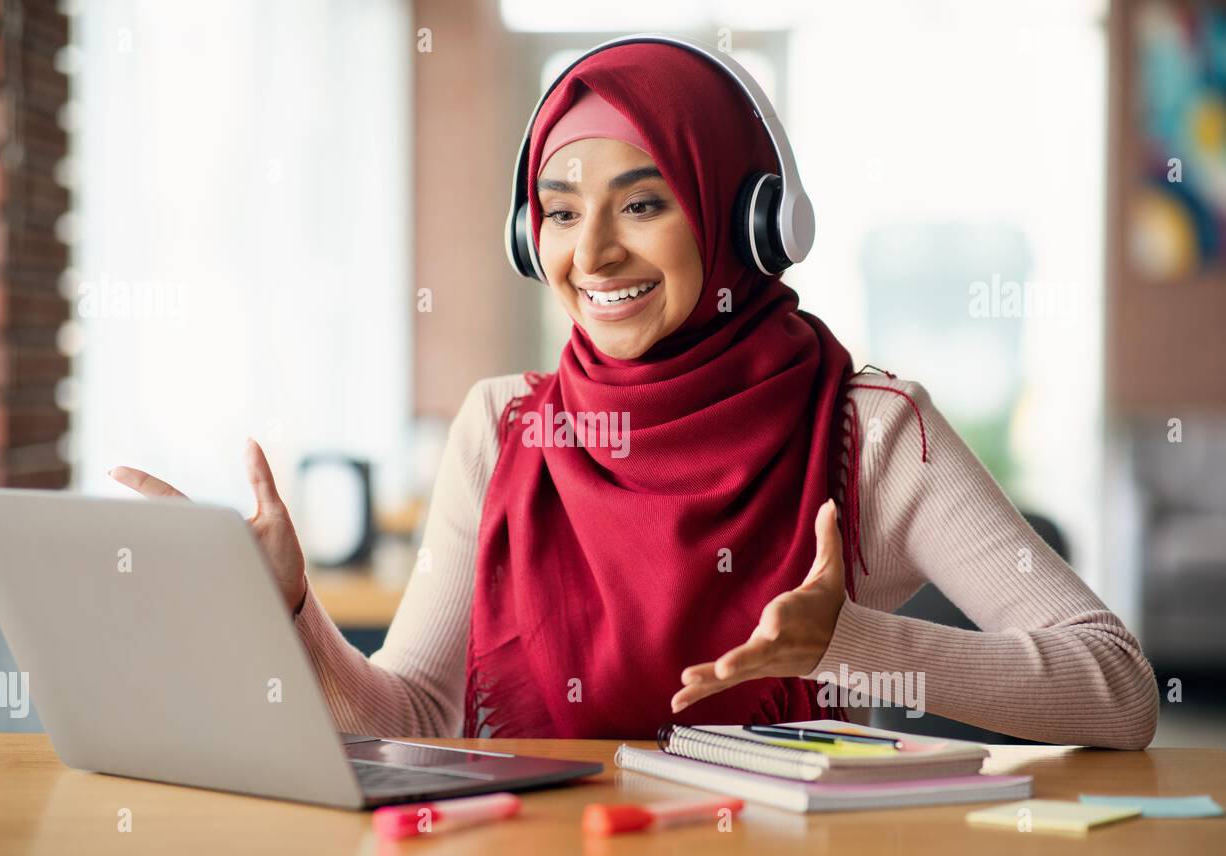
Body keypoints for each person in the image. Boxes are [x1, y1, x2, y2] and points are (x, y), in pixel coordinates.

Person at [110, 41, 1157, 748]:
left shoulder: (874, 429)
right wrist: (289, 612)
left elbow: (1118, 688)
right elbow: (416, 717)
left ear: (748, 220)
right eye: (561, 213)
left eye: (644, 203)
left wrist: (852, 647)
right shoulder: (500, 428)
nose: (593, 253)